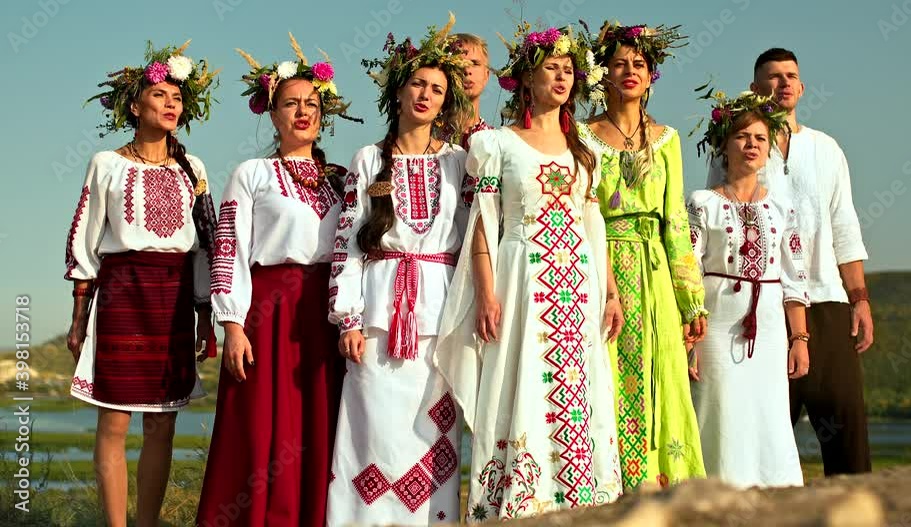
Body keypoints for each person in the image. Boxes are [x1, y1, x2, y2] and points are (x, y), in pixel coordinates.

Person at [436, 23, 624, 522]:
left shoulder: (584, 149)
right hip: (522, 277)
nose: (562, 78)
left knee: (580, 386)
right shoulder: (498, 144)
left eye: (568, 71)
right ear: (526, 79)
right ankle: (520, 501)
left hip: (579, 284)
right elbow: (482, 223)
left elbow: (594, 223)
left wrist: (609, 291)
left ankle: (580, 499)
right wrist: (486, 292)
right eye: (551, 69)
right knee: (523, 382)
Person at [196, 34, 355, 526]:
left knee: (319, 423)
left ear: (323, 113)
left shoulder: (341, 178)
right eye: (290, 103)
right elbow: (229, 248)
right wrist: (234, 324)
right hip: (268, 311)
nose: (302, 112)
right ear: (272, 113)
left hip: (325, 311)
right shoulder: (254, 173)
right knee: (262, 424)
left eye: (311, 103)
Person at [325, 15, 473, 526]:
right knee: (372, 433)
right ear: (400, 89)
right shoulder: (369, 159)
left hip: (439, 321)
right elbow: (347, 241)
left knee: (431, 433)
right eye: (418, 84)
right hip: (378, 319)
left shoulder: (459, 161)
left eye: (437, 88)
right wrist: (347, 317)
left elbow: (477, 239)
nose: (427, 95)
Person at [65, 41, 218, 526]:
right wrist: (78, 320)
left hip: (173, 299)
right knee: (113, 420)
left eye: (176, 97)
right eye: (159, 95)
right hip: (121, 294)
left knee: (163, 423)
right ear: (135, 105)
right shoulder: (106, 164)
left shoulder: (192, 170)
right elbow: (86, 241)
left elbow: (204, 249)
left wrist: (204, 315)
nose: (171, 103)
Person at [710, 48, 874, 475]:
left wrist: (859, 298)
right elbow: (716, 229)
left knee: (846, 427)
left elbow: (844, 226)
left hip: (825, 300)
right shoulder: (736, 151)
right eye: (773, 76)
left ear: (801, 88)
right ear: (754, 88)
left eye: (791, 76)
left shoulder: (826, 149)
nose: (783, 83)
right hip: (758, 309)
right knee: (763, 430)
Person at [580, 21, 707, 490]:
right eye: (618, 63)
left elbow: (676, 219)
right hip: (603, 261)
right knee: (605, 371)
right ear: (602, 74)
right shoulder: (582, 135)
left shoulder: (669, 139)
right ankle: (607, 481)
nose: (630, 71)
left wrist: (690, 298)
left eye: (639, 64)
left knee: (662, 372)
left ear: (652, 75)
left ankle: (662, 481)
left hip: (655, 267)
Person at [688, 90, 810, 487]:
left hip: (771, 327)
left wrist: (800, 338)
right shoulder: (702, 203)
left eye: (760, 137)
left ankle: (776, 499)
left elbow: (794, 278)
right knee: (719, 409)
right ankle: (716, 497)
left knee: (769, 410)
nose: (752, 144)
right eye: (742, 136)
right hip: (717, 325)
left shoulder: (781, 208)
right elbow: (687, 270)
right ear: (724, 143)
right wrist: (687, 337)